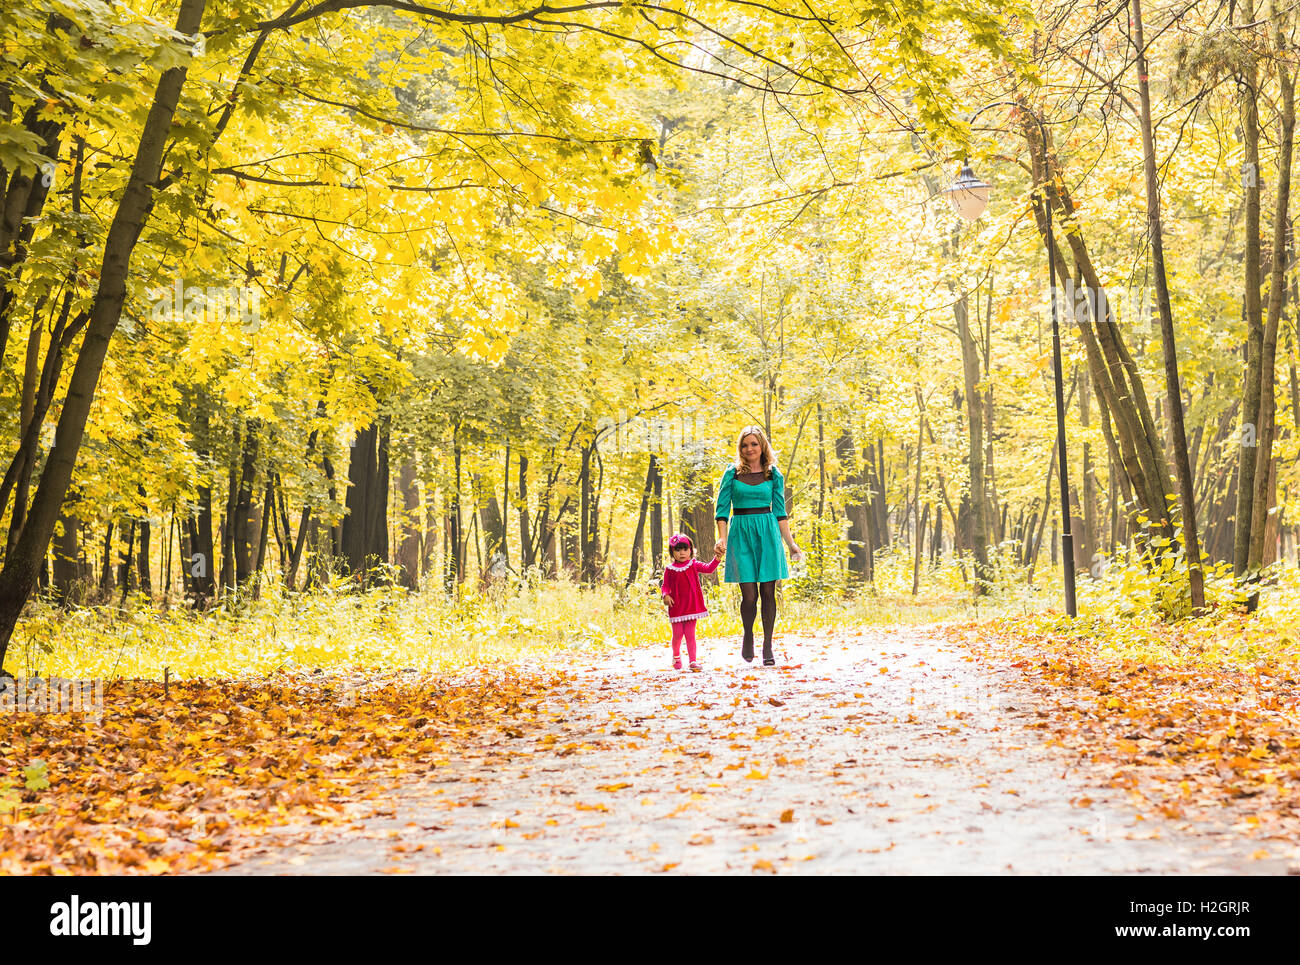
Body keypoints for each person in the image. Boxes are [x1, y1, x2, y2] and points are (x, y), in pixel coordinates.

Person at [713, 425, 803, 665]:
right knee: (749, 595)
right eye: (745, 445)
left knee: (768, 592)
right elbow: (722, 510)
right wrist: (722, 538)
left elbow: (781, 513)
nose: (749, 449)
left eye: (754, 444)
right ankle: (748, 635)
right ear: (740, 448)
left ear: (762, 446)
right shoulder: (731, 473)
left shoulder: (773, 474)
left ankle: (767, 646)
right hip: (740, 533)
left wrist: (792, 544)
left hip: (767, 532)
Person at [660, 533, 722, 671]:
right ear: (672, 552)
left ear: (691, 550)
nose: (682, 553)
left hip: (691, 606)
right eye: (677, 550)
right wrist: (665, 595)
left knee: (690, 634)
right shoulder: (670, 569)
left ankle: (693, 661)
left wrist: (717, 558)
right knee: (677, 635)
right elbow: (665, 585)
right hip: (676, 607)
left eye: (685, 549)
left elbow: (708, 568)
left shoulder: (693, 565)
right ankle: (676, 655)